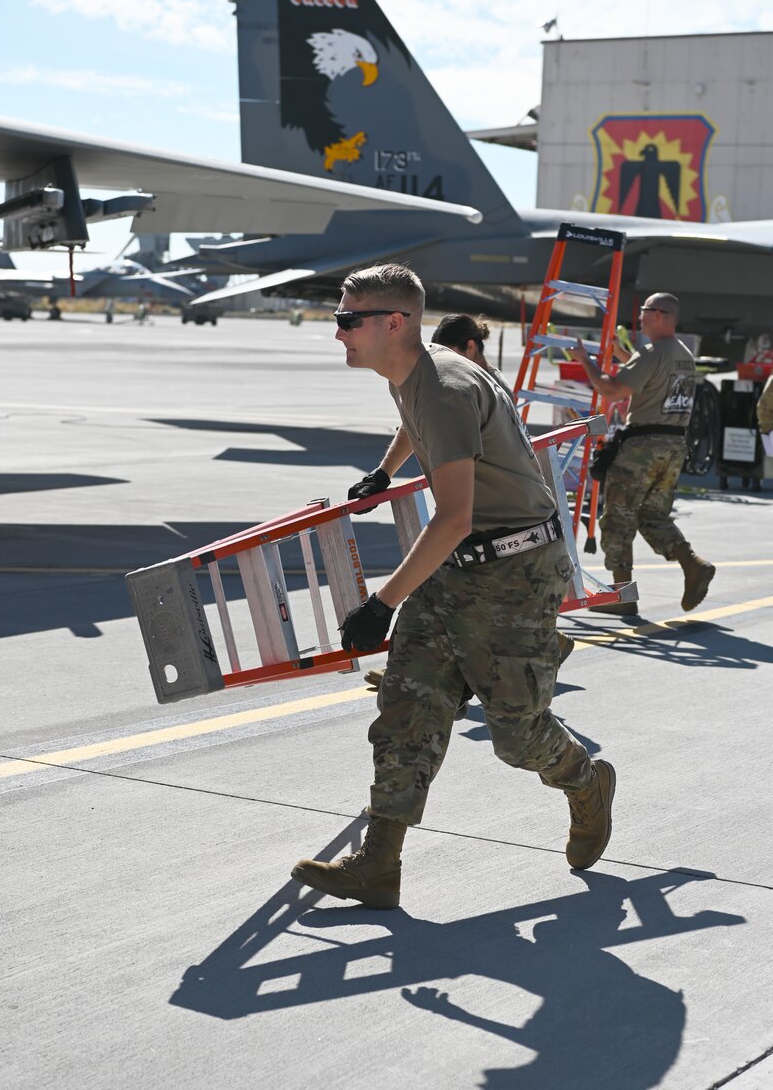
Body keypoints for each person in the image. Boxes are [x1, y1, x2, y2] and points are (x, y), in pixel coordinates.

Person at [290, 264, 615, 909]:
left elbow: (454, 515)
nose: (338, 334)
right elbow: (420, 426)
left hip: (514, 572)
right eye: (337, 319)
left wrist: (381, 603)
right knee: (410, 706)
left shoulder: (440, 385)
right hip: (459, 566)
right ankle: (377, 866)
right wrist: (385, 472)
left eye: (348, 321)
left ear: (394, 322)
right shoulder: (411, 371)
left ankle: (586, 784)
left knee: (517, 735)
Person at [358, 312, 574, 700]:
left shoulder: (477, 385)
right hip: (472, 523)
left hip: (499, 528)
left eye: (452, 353)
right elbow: (413, 424)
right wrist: (383, 473)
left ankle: (448, 681)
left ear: (471, 348)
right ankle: (419, 676)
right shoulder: (437, 383)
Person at [571, 292, 715, 617]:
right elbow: (654, 378)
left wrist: (585, 360)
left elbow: (611, 391)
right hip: (673, 447)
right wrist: (624, 355)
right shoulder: (683, 354)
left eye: (645, 311)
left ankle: (623, 597)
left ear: (660, 315)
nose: (640, 317)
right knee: (653, 516)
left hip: (642, 449)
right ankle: (693, 565)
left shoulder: (651, 352)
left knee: (618, 519)